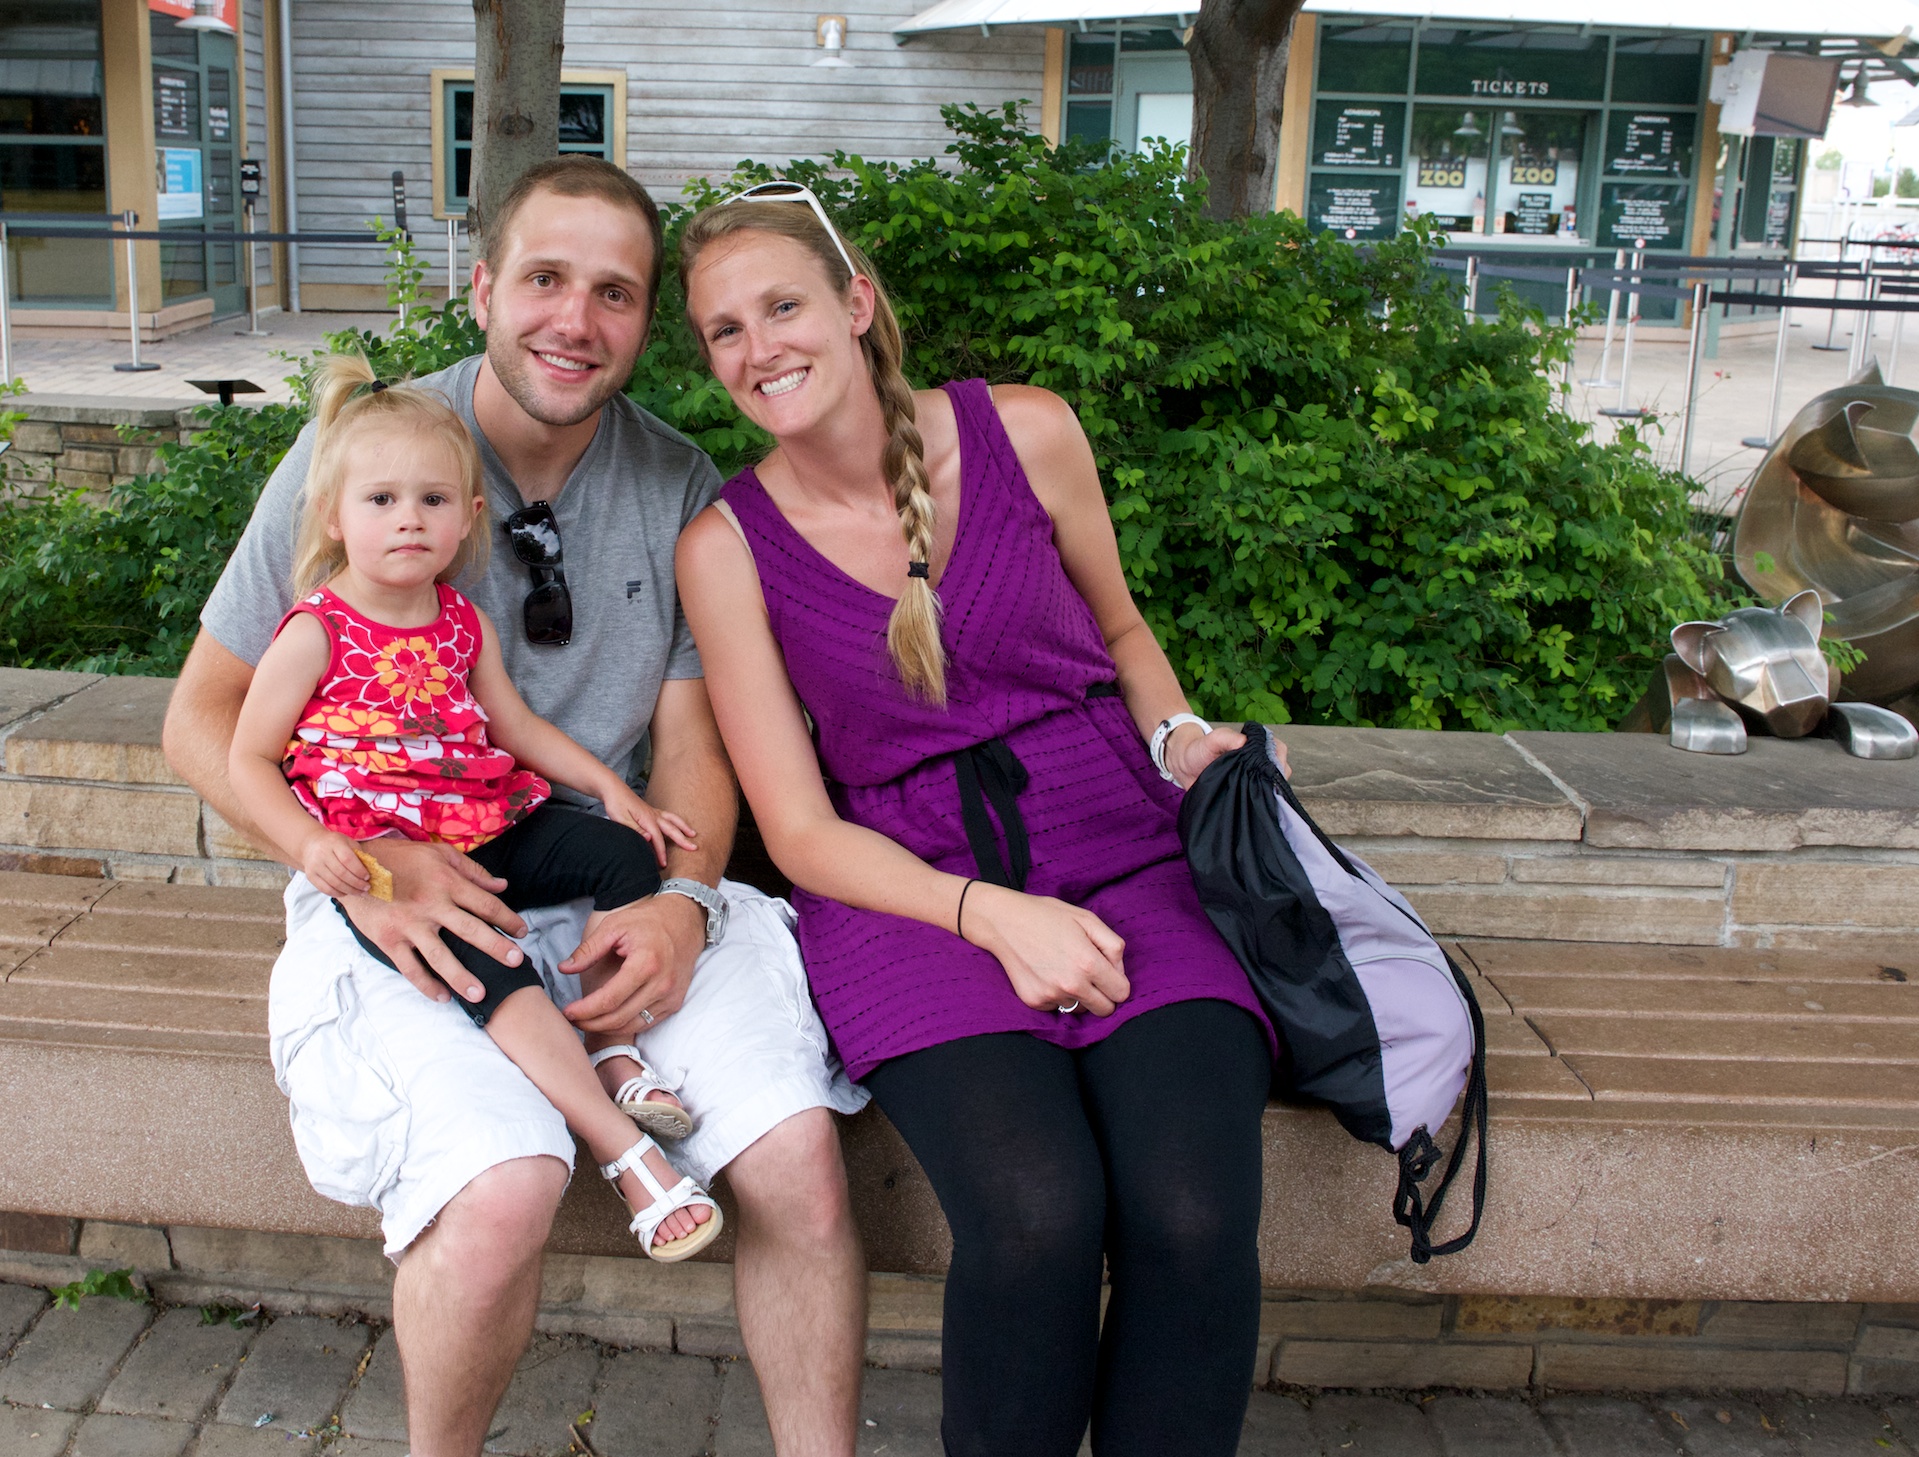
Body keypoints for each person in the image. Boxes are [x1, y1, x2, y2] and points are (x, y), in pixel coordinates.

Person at [163, 158, 869, 1457]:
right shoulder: (366, 457)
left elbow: (691, 743)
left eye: (614, 293)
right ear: (483, 286)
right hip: (405, 886)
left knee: (799, 1170)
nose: (573, 320)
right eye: (544, 278)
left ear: (645, 323)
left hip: (613, 879)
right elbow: (201, 723)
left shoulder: (680, 486)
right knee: (500, 1191)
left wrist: (687, 904)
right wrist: (365, 865)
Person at [674, 185, 1281, 1457]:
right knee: (1034, 1211)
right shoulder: (727, 545)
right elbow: (795, 830)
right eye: (723, 329)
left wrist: (1178, 736)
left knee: (1190, 1212)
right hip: (906, 892)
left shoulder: (1026, 432)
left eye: (781, 305)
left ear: (855, 303)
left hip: (1128, 851)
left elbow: (1121, 633)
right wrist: (991, 914)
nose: (757, 348)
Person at [226, 350, 720, 1262]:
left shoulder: (461, 620)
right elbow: (248, 757)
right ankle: (629, 1155)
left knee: (624, 860)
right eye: (380, 501)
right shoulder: (316, 629)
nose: (408, 519)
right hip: (390, 854)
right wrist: (313, 845)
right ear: (334, 516)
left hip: (488, 818)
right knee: (485, 955)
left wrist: (614, 788)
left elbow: (515, 723)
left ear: (469, 517)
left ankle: (612, 1044)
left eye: (432, 500)